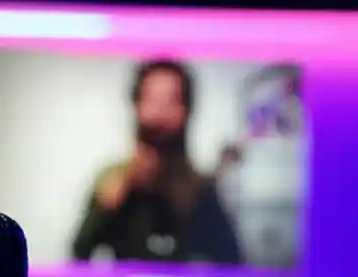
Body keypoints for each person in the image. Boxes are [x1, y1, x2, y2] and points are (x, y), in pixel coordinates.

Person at [72, 60, 242, 264]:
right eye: (152, 100)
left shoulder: (201, 190)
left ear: (185, 112)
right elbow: (79, 254)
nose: (160, 113)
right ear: (137, 106)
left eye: (170, 101)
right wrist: (106, 207)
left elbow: (232, 263)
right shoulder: (113, 181)